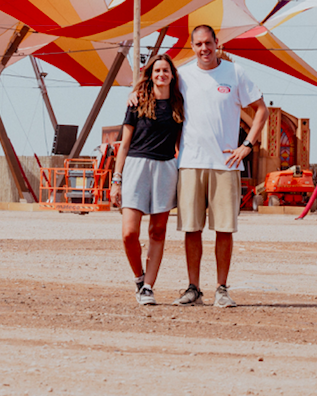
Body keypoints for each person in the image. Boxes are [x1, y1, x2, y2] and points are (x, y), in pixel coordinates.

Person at [173, 24, 267, 308]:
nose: (204, 49)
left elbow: (261, 110)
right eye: (198, 44)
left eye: (208, 43)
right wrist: (134, 95)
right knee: (192, 228)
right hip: (191, 162)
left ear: (217, 43)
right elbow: (160, 97)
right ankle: (193, 288)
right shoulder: (182, 76)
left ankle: (221, 289)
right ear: (192, 47)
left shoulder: (235, 72)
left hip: (226, 164)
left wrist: (246, 145)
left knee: (224, 229)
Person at [111, 55, 184, 306]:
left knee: (158, 231)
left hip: (166, 168)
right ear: (151, 75)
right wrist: (116, 179)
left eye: (166, 70)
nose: (161, 74)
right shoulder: (137, 102)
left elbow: (181, 143)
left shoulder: (179, 105)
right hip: (136, 166)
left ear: (172, 75)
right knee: (129, 233)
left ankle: (148, 287)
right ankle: (139, 277)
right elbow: (124, 145)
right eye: (157, 70)